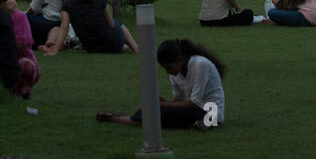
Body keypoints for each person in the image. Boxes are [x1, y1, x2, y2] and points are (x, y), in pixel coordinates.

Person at [97, 39, 227, 130]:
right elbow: (179, 101)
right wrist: (161, 101)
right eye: (164, 68)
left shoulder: (200, 64)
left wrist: (162, 104)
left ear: (180, 59)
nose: (167, 72)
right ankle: (118, 117)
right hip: (193, 109)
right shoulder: (174, 74)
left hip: (210, 111)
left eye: (169, 67)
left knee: (165, 115)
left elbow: (194, 102)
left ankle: (116, 119)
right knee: (157, 112)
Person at [44, 0, 139, 53]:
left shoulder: (67, 6)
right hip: (111, 43)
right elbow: (112, 25)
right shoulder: (99, 1)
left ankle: (123, 47)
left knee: (109, 39)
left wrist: (55, 50)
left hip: (91, 47)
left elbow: (64, 27)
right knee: (118, 24)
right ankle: (135, 47)